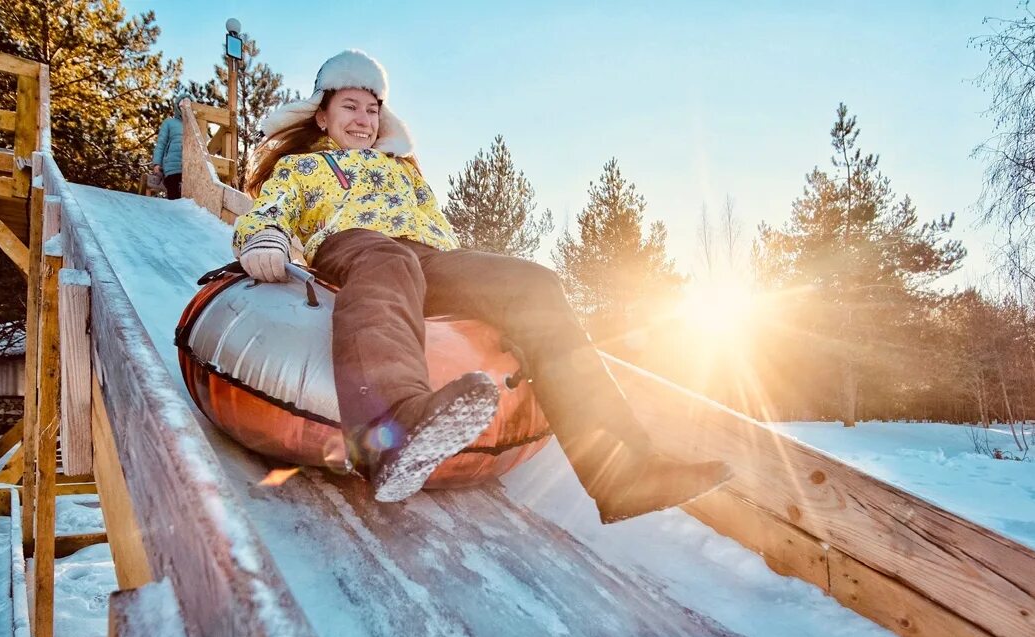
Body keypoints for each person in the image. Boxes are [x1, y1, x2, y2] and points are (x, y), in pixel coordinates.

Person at [232, 50, 732, 523]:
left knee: (533, 282)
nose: (363, 119)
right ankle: (391, 435)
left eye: (372, 109)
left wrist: (489, 296)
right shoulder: (303, 168)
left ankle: (625, 473)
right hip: (358, 248)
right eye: (350, 107)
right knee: (391, 261)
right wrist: (263, 239)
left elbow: (440, 232)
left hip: (431, 258)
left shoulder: (403, 172)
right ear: (322, 116)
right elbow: (270, 212)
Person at [151, 93, 186, 199]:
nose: (184, 107)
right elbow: (161, 144)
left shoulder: (194, 125)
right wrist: (157, 164)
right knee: (174, 198)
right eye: (182, 104)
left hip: (189, 169)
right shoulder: (169, 123)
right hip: (172, 168)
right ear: (177, 106)